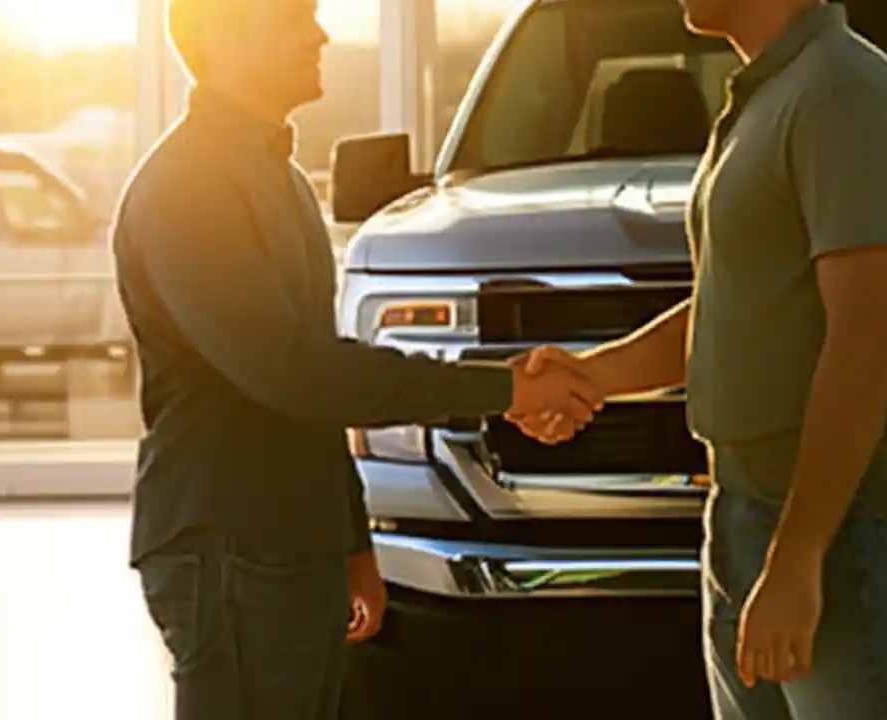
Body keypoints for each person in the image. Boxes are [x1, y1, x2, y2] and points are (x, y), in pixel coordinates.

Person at [110, 1, 603, 717]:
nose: (318, 34)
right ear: (221, 36)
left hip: (289, 541)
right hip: (232, 543)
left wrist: (350, 542)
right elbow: (297, 372)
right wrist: (504, 390)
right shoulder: (190, 188)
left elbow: (314, 385)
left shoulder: (271, 174)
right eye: (293, 17)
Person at [510, 1, 887, 718]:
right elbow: (739, 307)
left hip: (841, 520)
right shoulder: (773, 94)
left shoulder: (843, 93)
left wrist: (799, 556)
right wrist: (592, 375)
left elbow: (868, 336)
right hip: (746, 509)